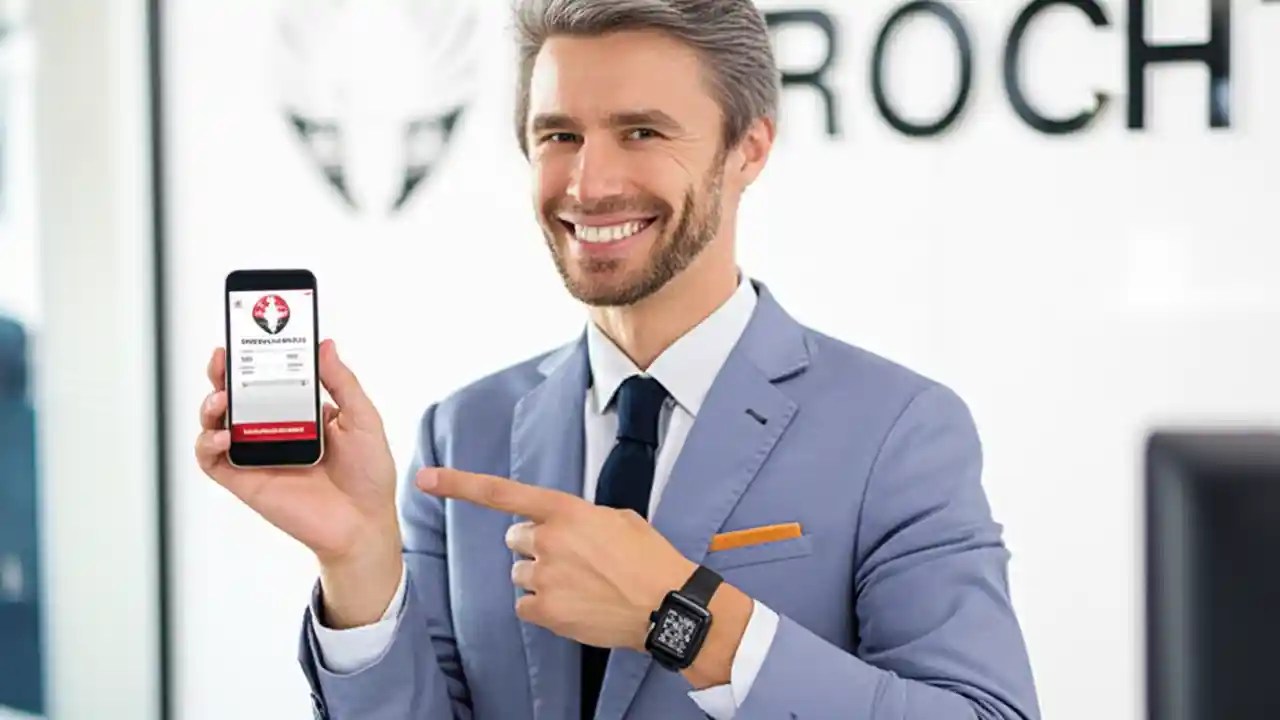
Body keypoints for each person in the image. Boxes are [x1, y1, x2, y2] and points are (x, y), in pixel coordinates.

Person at [194, 1, 1041, 718]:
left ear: (748, 148)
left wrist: (683, 617)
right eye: (559, 134)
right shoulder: (465, 431)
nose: (589, 183)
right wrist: (358, 566)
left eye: (642, 132)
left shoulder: (896, 429)